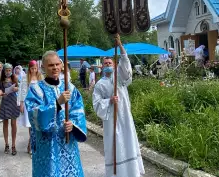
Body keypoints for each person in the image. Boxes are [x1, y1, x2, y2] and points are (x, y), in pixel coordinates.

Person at [25, 51, 87, 176]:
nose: (55, 68)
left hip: (67, 142)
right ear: (43, 67)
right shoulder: (36, 89)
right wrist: (58, 103)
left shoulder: (69, 87)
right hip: (47, 145)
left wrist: (73, 124)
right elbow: (34, 115)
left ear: (61, 65)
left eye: (57, 64)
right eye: (50, 65)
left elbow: (78, 109)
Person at [93, 35, 145, 177]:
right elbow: (96, 104)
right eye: (106, 64)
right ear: (102, 67)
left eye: (110, 63)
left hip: (124, 116)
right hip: (111, 120)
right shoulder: (99, 85)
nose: (108, 65)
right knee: (114, 145)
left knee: (128, 141)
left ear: (115, 65)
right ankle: (116, 173)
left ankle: (132, 172)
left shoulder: (120, 77)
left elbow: (126, 64)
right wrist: (109, 101)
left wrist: (120, 45)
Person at [18, 60, 42, 155]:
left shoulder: (40, 77)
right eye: (32, 68)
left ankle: (33, 144)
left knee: (38, 124)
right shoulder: (25, 78)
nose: (34, 70)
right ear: (29, 69)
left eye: (35, 68)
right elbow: (23, 91)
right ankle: (31, 144)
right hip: (29, 103)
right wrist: (21, 104)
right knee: (31, 125)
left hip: (38, 103)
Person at [0, 63, 20, 155]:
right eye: (6, 70)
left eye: (9, 70)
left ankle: (13, 145)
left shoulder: (15, 78)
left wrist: (16, 89)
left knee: (14, 123)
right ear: (4, 70)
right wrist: (2, 93)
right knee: (5, 123)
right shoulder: (2, 79)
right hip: (5, 101)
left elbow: (19, 88)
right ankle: (6, 144)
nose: (8, 72)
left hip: (13, 101)